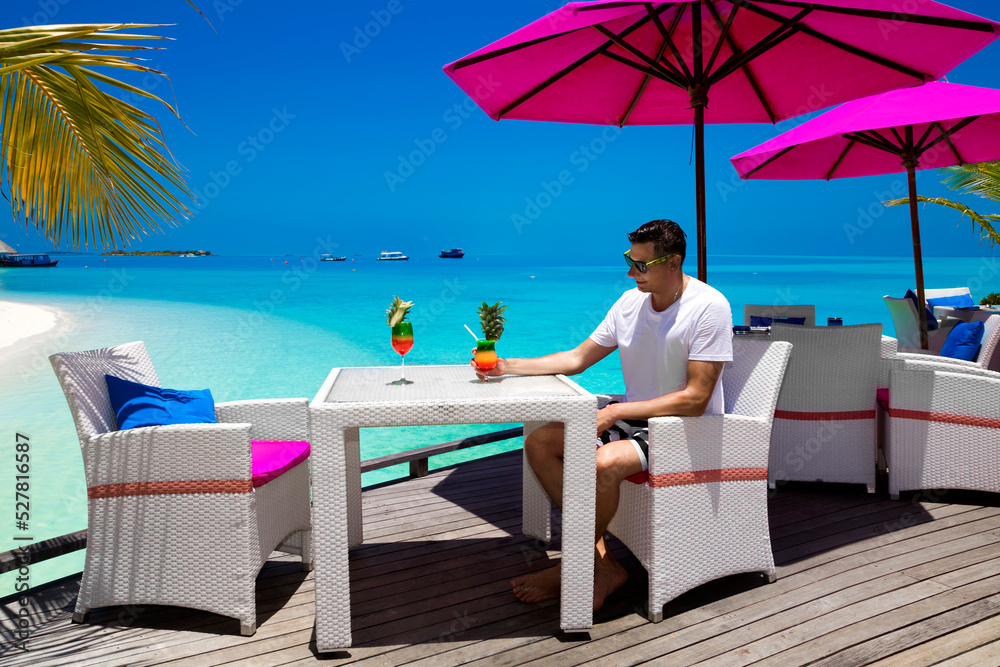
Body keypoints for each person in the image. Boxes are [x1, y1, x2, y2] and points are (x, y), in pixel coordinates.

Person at [472, 219, 733, 610]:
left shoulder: (710, 307)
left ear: (674, 262)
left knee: (604, 462)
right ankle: (600, 563)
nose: (631, 273)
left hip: (686, 428)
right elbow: (577, 359)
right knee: (541, 442)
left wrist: (615, 413)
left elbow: (695, 399)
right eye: (629, 260)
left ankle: (572, 567)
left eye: (641, 265)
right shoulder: (629, 303)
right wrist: (507, 366)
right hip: (635, 419)